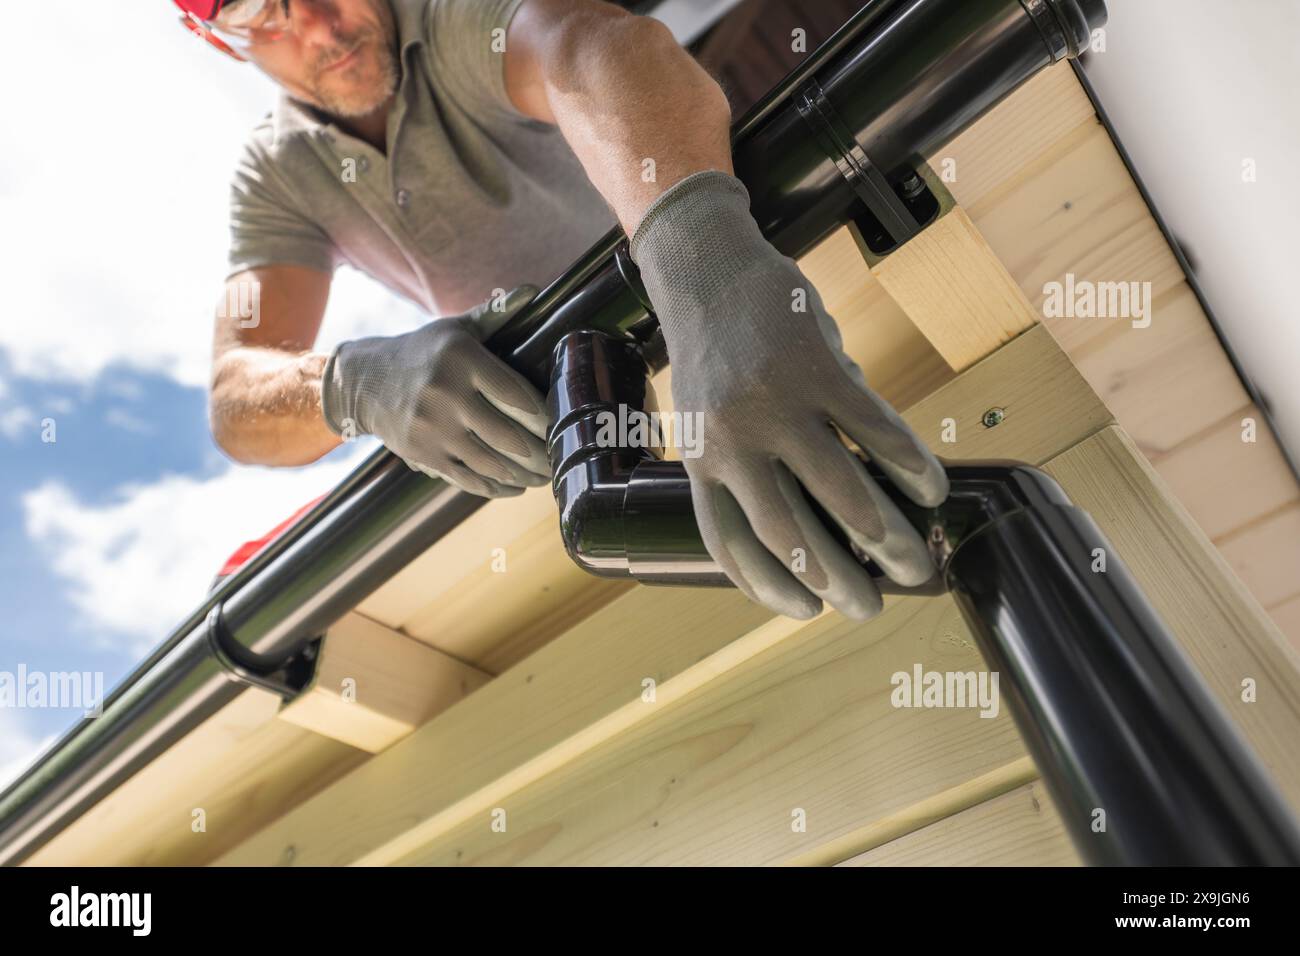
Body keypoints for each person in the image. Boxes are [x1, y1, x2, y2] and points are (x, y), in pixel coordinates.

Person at [185, 0, 949, 621]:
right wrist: (351, 384)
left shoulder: (444, 15)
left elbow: (588, 50)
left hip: (735, 304)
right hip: (561, 412)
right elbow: (235, 394)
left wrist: (702, 265)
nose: (319, 24)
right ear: (219, 42)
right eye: (262, 12)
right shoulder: (276, 174)